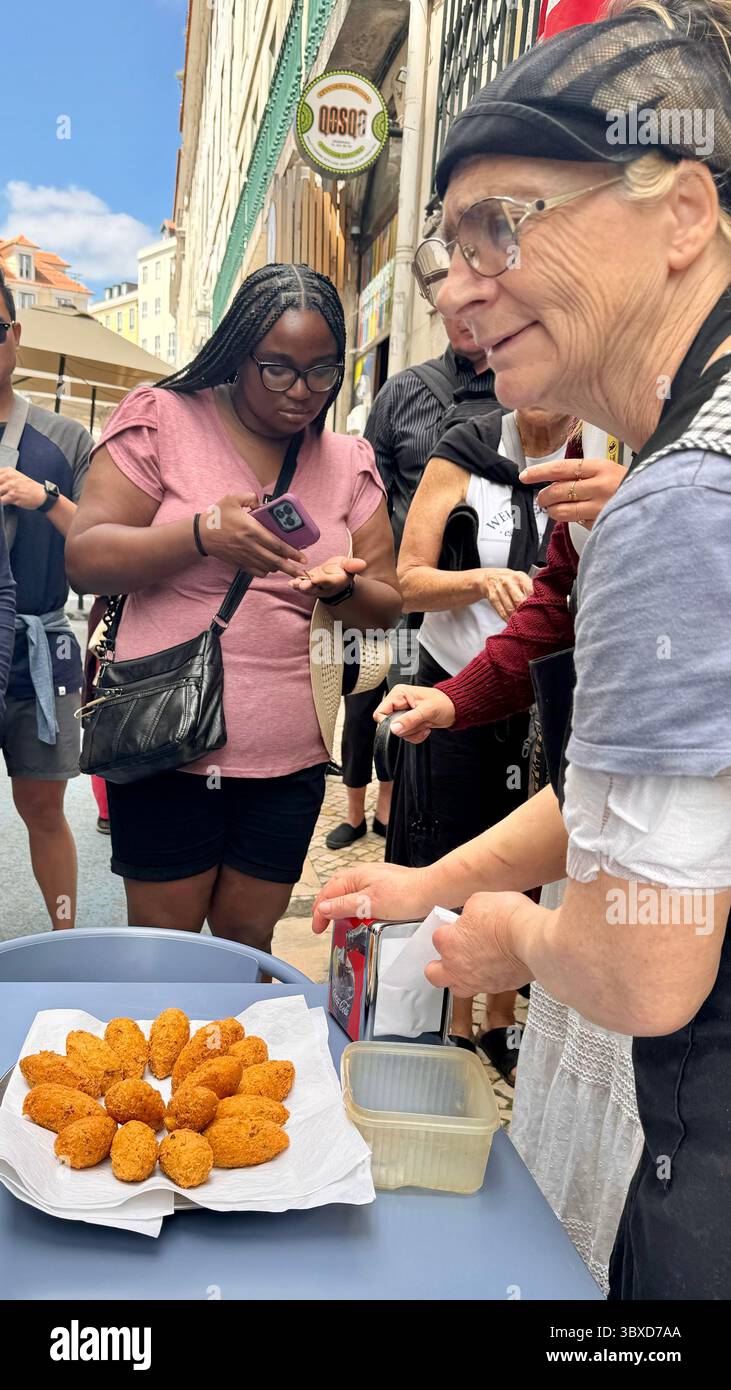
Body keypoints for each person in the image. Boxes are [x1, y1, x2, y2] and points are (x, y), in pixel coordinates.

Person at [313, 1, 731, 1299]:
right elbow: (642, 799)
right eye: (448, 245)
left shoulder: (672, 502)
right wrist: (425, 885)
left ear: (679, 214)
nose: (462, 284)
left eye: (506, 220)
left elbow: (641, 957)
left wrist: (507, 935)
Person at [66, 264, 400, 951]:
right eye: (276, 369)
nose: (300, 393)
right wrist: (202, 536)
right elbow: (88, 554)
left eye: (321, 372)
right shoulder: (163, 420)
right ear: (235, 352)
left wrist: (340, 588)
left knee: (247, 944)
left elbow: (388, 602)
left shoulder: (348, 459)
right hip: (167, 740)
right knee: (166, 952)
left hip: (291, 759)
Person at [390, 403, 575, 1073]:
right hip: (458, 683)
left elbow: (559, 597)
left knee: (523, 865)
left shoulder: (598, 447)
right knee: (450, 851)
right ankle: (453, 1019)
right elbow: (406, 581)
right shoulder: (465, 449)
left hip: (543, 702)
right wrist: (479, 580)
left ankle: (503, 1020)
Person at [325, 315, 496, 850]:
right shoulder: (401, 391)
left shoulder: (517, 395)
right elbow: (365, 491)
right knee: (360, 701)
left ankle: (388, 809)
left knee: (415, 711)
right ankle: (355, 811)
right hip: (384, 593)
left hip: (459, 604)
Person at [0, 267, 91, 930]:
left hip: (42, 649)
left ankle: (65, 936)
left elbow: (104, 548)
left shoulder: (65, 440)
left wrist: (47, 497)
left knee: (43, 807)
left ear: (16, 336)